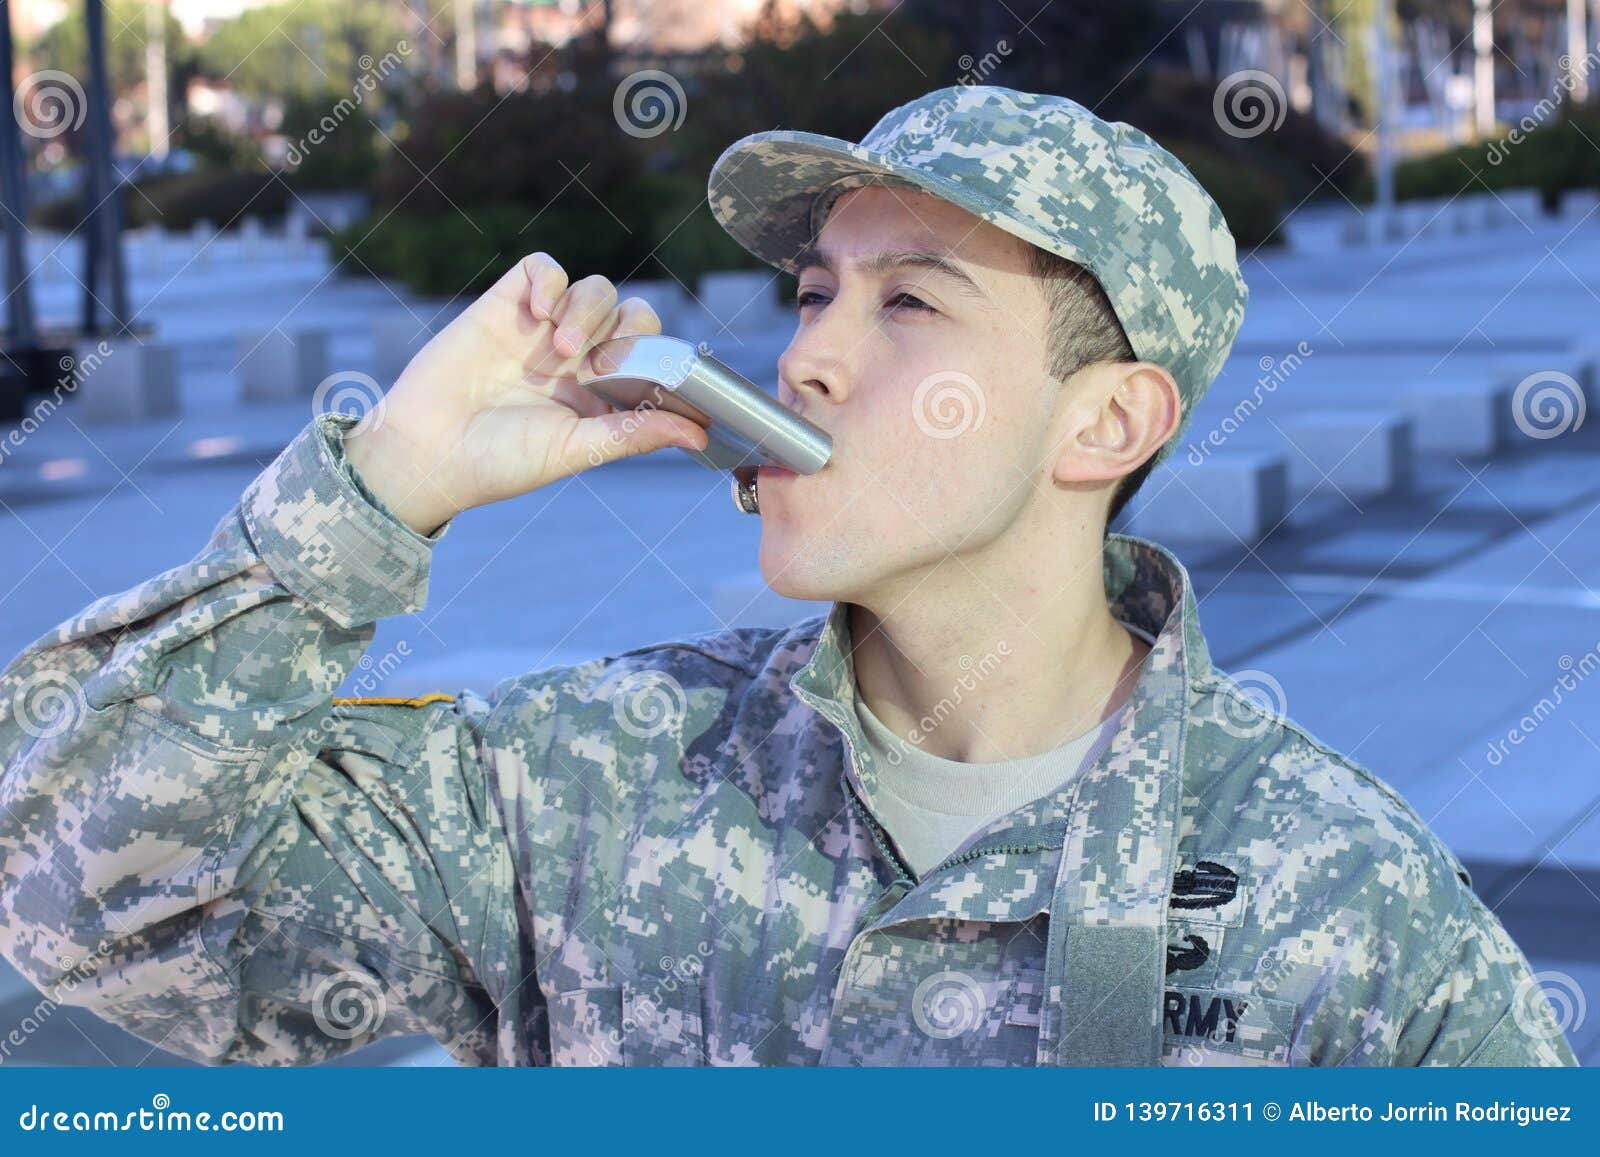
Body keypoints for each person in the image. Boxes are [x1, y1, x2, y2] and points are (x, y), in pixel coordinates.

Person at [0, 85, 1576, 1066]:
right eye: (815, 290)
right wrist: (384, 487)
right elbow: (79, 902)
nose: (807, 350)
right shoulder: (586, 791)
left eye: (911, 306)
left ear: (1107, 421)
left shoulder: (1351, 910)